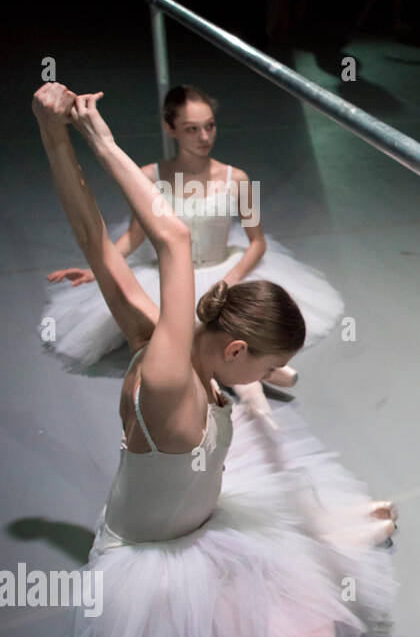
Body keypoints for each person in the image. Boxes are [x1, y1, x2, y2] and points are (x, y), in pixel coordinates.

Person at [12, 84, 398, 637]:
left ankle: (325, 534)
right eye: (267, 367)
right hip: (157, 562)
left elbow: (99, 246)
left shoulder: (173, 339)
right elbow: (170, 236)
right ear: (236, 350)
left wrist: (59, 132)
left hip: (210, 519)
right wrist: (86, 130)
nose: (264, 381)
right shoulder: (166, 377)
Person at [42, 83, 345, 401]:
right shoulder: (149, 176)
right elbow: (136, 234)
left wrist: (231, 279)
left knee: (226, 327)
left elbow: (257, 242)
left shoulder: (238, 179)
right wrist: (94, 270)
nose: (204, 138)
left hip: (225, 268)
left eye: (210, 126)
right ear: (169, 128)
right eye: (191, 129)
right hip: (171, 274)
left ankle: (254, 373)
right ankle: (249, 377)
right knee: (173, 329)